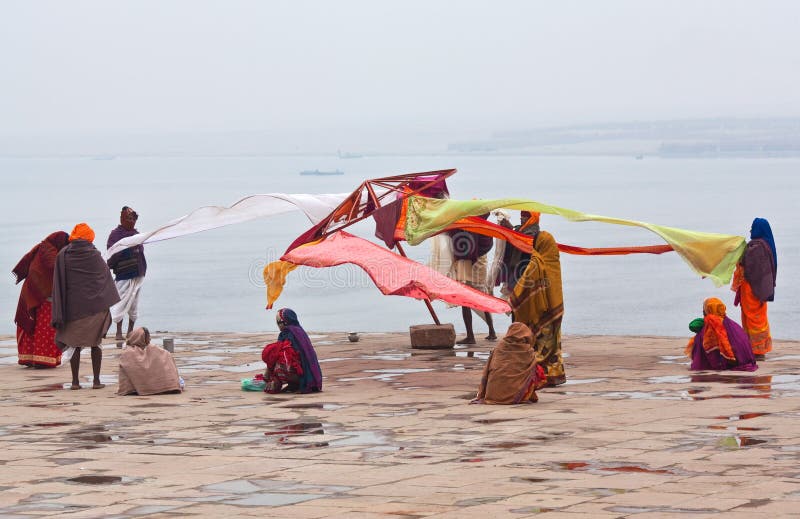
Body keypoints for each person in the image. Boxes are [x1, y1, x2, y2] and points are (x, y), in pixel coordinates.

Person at [52, 223, 120, 389]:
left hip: (73, 309)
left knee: (75, 345)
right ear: (89, 237)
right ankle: (96, 381)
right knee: (95, 344)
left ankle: (75, 382)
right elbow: (104, 278)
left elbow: (58, 282)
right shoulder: (94, 255)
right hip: (96, 308)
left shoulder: (63, 255)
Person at [510, 213, 566, 386]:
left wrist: (516, 296)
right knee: (546, 341)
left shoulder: (541, 260)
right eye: (521, 216)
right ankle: (551, 373)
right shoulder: (536, 256)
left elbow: (535, 275)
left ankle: (545, 374)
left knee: (545, 341)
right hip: (550, 305)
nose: (521, 219)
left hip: (547, 307)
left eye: (525, 216)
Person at [12, 231, 70, 367]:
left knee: (33, 328)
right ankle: (42, 359)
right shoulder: (51, 254)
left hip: (33, 293)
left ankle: (30, 358)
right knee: (45, 328)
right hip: (44, 296)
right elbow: (52, 270)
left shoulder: (44, 249)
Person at [731, 217, 776, 360]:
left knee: (753, 319)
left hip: (752, 290)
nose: (750, 230)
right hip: (759, 289)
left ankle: (758, 350)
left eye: (752, 227)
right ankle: (754, 348)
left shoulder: (757, 247)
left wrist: (738, 255)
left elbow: (749, 266)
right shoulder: (765, 245)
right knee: (756, 318)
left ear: (759, 229)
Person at [448, 213, 497, 344]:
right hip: (481, 263)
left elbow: (460, 237)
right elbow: (488, 245)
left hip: (469, 262)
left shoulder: (473, 225)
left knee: (465, 299)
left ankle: (471, 336)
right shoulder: (486, 227)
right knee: (482, 296)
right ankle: (492, 331)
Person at [472, 322, 546, 404]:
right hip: (514, 395)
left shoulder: (500, 346)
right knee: (537, 370)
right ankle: (524, 395)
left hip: (493, 394)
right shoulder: (527, 350)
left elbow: (488, 369)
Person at [107, 206, 147, 341]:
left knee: (134, 302)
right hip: (123, 274)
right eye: (129, 218)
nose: (131, 221)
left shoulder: (136, 234)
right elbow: (111, 252)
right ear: (122, 219)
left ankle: (130, 331)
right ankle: (118, 331)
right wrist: (126, 249)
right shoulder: (115, 234)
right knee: (121, 301)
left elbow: (140, 250)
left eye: (133, 219)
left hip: (137, 273)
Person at [686, 298, 758, 371]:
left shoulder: (711, 323)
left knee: (699, 337)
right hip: (745, 358)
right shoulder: (733, 325)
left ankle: (708, 363)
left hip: (729, 362)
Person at [261, 308, 322, 394]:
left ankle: (299, 384)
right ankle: (294, 384)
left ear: (286, 322)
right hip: (302, 372)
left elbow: (287, 355)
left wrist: (268, 375)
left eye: (279, 322)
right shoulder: (293, 332)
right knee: (276, 357)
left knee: (280, 363)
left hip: (303, 374)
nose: (278, 325)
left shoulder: (292, 334)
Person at [117, 327, 183, 395]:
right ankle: (162, 387)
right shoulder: (154, 349)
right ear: (142, 338)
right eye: (148, 337)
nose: (150, 339)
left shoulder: (127, 353)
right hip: (158, 386)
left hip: (131, 389)